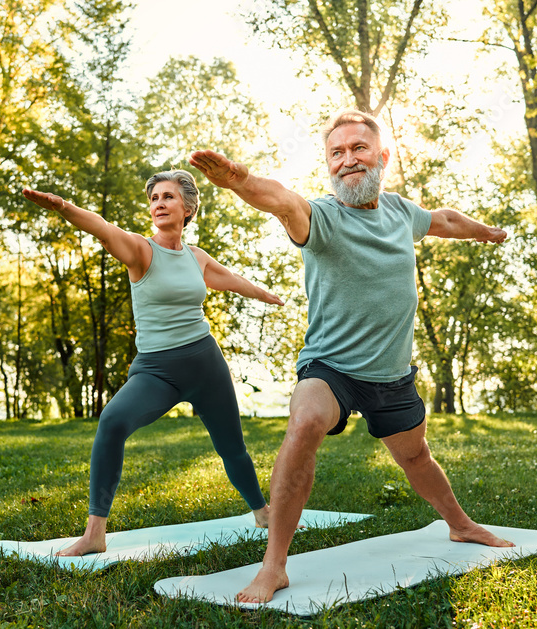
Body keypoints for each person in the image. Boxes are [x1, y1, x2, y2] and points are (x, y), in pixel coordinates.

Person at [189, 108, 515, 604]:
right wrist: (240, 181)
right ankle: (273, 565)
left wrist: (484, 231)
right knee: (304, 423)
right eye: (336, 153)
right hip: (331, 369)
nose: (348, 160)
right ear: (328, 165)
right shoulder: (320, 217)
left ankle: (461, 525)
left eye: (358, 149)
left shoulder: (402, 213)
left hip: (391, 375)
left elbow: (445, 219)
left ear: (382, 157)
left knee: (416, 456)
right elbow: (280, 201)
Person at [22, 169, 283, 557]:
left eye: (168, 197)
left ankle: (262, 512)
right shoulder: (141, 251)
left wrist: (267, 296)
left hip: (206, 363)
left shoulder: (197, 257)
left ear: (189, 207)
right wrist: (63, 207)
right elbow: (104, 230)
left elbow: (230, 279)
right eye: (154, 198)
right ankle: (95, 533)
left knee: (232, 447)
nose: (159, 204)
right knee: (112, 422)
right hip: (158, 371)